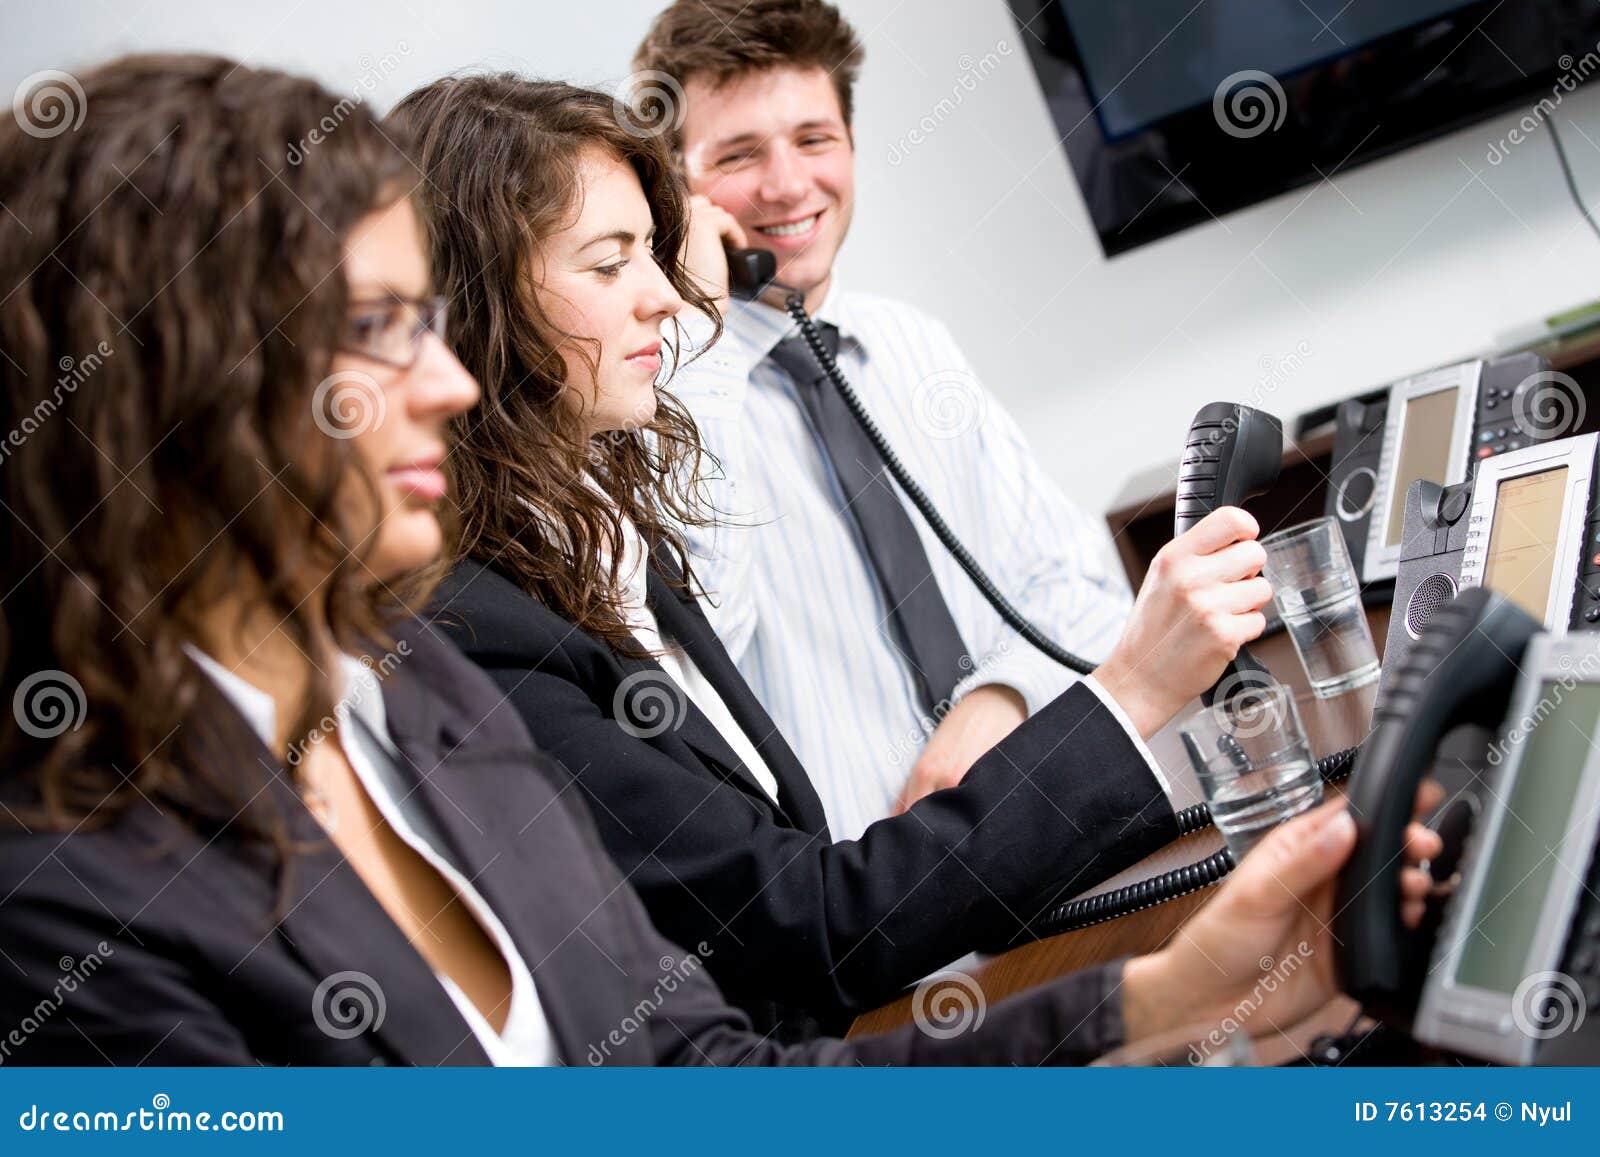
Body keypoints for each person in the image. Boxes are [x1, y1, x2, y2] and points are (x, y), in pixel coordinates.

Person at [0, 53, 1441, 1068]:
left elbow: (700, 1074)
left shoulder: (425, 698)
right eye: (383, 327)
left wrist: (1172, 994)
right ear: (183, 393)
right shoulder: (72, 912)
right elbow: (805, 943)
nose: (439, 380)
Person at [401, 74, 1279, 1039]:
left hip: (922, 944)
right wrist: (1137, 688)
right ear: (474, 312)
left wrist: (1025, 695)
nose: (662, 295)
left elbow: (1063, 577)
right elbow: (808, 920)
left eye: (652, 253)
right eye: (611, 264)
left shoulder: (597, 529)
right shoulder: (484, 624)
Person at [631, 0, 1144, 837]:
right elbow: (697, 656)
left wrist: (998, 696)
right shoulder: (653, 405)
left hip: (1048, 842)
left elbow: (1083, 589)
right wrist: (700, 333)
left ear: (852, 145)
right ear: (677, 198)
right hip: (864, 925)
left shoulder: (911, 345)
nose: (789, 184)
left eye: (813, 138)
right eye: (737, 155)